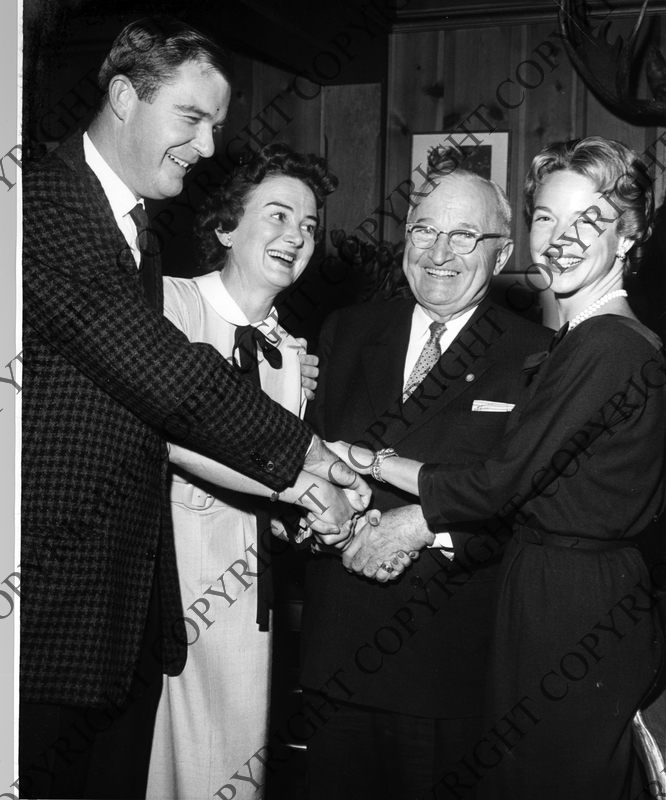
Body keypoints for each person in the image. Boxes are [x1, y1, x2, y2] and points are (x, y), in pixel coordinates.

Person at [20, 18, 368, 800]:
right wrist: (314, 464)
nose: (208, 147)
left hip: (122, 620)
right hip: (50, 614)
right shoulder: (42, 204)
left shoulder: (136, 230)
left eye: (216, 125)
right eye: (192, 118)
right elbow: (168, 378)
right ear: (121, 96)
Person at [332, 136, 665, 799]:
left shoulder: (607, 345)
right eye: (546, 217)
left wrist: (378, 465)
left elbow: (500, 482)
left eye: (587, 221)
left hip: (571, 603)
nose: (561, 238)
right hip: (555, 592)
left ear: (626, 235)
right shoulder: (587, 341)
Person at [300, 168, 553, 799]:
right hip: (338, 653)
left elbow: (532, 504)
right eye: (425, 231)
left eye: (465, 236)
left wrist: (426, 532)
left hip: (450, 667)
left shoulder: (538, 355)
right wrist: (317, 516)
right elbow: (310, 457)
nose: (439, 254)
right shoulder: (347, 331)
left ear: (504, 253)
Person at [145, 143, 344, 800]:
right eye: (280, 216)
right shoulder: (168, 305)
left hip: (247, 607)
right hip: (161, 590)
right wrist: (306, 485)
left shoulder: (292, 357)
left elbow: (277, 498)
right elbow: (166, 437)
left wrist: (314, 521)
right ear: (226, 227)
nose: (297, 236)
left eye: (310, 225)